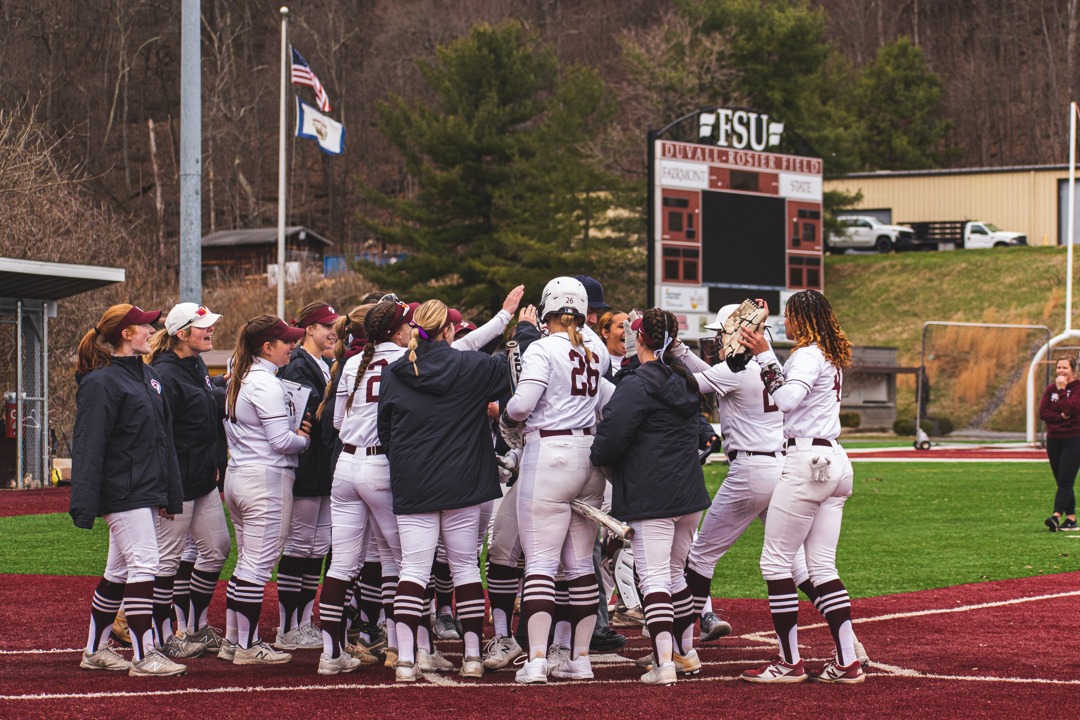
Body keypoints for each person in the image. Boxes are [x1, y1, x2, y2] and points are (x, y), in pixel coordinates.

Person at [378, 299, 511, 682]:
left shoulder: (397, 369)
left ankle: (405, 659)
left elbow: (385, 428)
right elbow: (510, 376)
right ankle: (471, 656)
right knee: (465, 567)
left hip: (415, 479)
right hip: (463, 478)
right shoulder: (472, 364)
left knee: (413, 570)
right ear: (449, 331)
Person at [737, 289, 864, 685]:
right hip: (835, 462)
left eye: (790, 317)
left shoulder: (808, 353)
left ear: (801, 319)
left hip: (807, 460)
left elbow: (789, 399)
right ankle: (847, 660)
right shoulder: (828, 352)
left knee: (776, 563)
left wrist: (764, 355)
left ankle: (789, 662)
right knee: (822, 565)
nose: (786, 323)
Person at [590, 308, 712, 686]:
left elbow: (612, 435)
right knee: (676, 574)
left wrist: (599, 459)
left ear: (639, 339)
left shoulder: (639, 382)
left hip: (653, 491)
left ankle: (664, 664)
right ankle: (684, 653)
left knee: (654, 577)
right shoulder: (685, 379)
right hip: (689, 491)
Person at [502, 276, 611, 684]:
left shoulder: (544, 347)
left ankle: (534, 660)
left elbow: (522, 405)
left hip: (550, 455)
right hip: (589, 457)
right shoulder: (597, 348)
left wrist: (509, 406)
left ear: (547, 308)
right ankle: (579, 658)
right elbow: (606, 402)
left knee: (542, 565)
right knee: (581, 564)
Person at [70, 304, 187, 677]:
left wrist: (168, 492)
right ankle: (143, 654)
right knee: (144, 566)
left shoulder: (149, 376)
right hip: (122, 490)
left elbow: (163, 439)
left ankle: (94, 650)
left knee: (119, 571)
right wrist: (85, 501)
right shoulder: (100, 381)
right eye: (144, 326)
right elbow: (89, 444)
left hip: (143, 488)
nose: (151, 330)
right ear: (125, 333)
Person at [319, 299, 411, 675]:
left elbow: (339, 423)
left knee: (342, 564)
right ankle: (402, 649)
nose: (411, 330)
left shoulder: (354, 361)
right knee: (402, 562)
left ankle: (331, 654)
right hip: (381, 465)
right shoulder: (405, 362)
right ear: (395, 330)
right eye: (407, 324)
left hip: (346, 465)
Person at [219, 315, 311, 665]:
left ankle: (233, 640)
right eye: (286, 341)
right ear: (267, 347)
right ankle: (247, 645)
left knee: (246, 563)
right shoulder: (266, 383)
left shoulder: (240, 377)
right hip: (266, 479)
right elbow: (281, 441)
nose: (293, 346)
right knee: (257, 566)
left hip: (240, 474)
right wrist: (303, 440)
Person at [146, 303, 231, 659]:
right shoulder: (163, 373)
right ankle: (163, 635)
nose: (210, 330)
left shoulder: (194, 364)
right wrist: (165, 486)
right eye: (203, 327)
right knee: (166, 560)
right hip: (176, 481)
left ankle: (194, 627)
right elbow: (160, 436)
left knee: (217, 548)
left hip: (201, 479)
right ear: (181, 334)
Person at [275, 302, 342, 651]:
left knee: (316, 546)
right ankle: (287, 627)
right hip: (306, 467)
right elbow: (303, 417)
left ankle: (302, 620)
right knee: (300, 546)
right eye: (325, 325)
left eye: (334, 324)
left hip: (321, 468)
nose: (332, 330)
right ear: (309, 329)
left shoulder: (323, 363)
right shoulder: (299, 364)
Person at [1039, 357, 1080, 531]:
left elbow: (1071, 409)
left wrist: (1063, 390)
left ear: (1073, 369)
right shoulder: (1050, 389)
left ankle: (1056, 516)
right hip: (1054, 439)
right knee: (1062, 480)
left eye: (1064, 367)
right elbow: (1043, 412)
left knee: (1065, 478)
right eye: (1058, 367)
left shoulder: (1078, 388)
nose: (1061, 371)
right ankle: (1071, 520)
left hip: (1074, 439)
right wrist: (1060, 418)